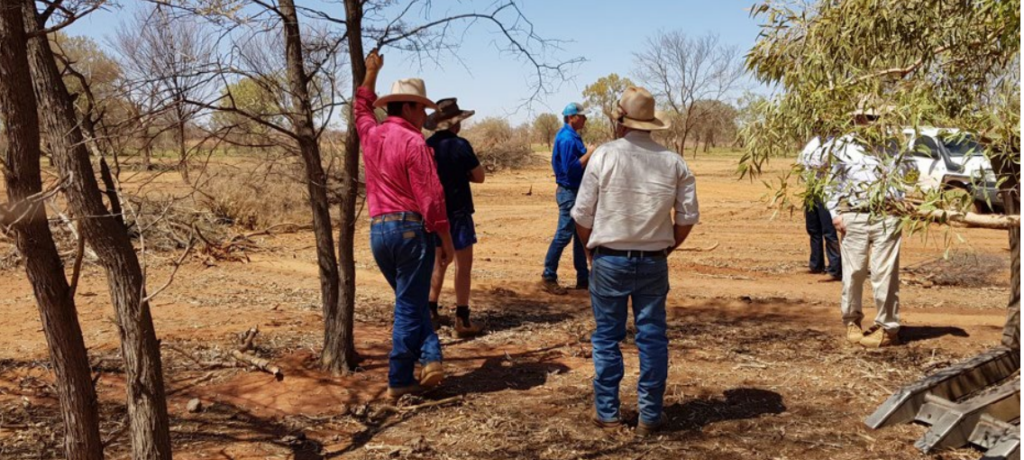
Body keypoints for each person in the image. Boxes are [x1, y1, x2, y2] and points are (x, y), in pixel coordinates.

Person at [572, 87, 699, 437]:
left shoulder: (605, 156)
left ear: (620, 122)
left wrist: (589, 250)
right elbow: (686, 217)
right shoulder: (673, 161)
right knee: (653, 337)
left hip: (609, 260)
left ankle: (608, 413)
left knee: (607, 338)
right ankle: (650, 415)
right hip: (654, 262)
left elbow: (582, 214)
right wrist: (667, 246)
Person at [354, 49, 455, 398]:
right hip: (411, 230)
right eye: (421, 109)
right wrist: (445, 238)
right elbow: (431, 197)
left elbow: (361, 106)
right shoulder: (414, 142)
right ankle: (399, 380)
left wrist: (371, 72)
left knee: (409, 301)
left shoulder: (371, 134)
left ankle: (432, 358)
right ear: (409, 107)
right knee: (408, 307)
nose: (424, 116)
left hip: (379, 231)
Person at [826, 104, 910, 348]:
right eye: (866, 117)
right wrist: (836, 215)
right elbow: (832, 182)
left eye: (875, 117)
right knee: (853, 273)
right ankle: (851, 321)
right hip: (854, 215)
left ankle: (887, 327)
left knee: (885, 274)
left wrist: (901, 207)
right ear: (856, 118)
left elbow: (907, 177)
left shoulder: (896, 145)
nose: (870, 122)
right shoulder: (844, 145)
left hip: (888, 216)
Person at [424, 98, 485, 338]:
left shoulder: (426, 146)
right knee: (463, 265)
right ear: (455, 124)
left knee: (438, 262)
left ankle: (430, 311)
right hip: (458, 212)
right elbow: (479, 177)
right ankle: (462, 318)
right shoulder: (461, 145)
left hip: (434, 212)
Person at [541, 102, 593, 295]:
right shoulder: (567, 140)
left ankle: (583, 279)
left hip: (577, 191)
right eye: (582, 116)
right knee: (564, 234)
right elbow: (571, 169)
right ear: (572, 117)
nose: (585, 119)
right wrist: (590, 153)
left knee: (580, 236)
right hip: (569, 191)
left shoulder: (572, 137)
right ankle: (548, 276)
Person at [798, 135, 842, 281]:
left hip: (827, 189)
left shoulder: (836, 142)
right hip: (812, 188)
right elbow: (802, 160)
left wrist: (811, 164)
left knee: (828, 231)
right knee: (813, 228)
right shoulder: (815, 141)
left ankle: (835, 269)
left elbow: (821, 163)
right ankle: (816, 265)